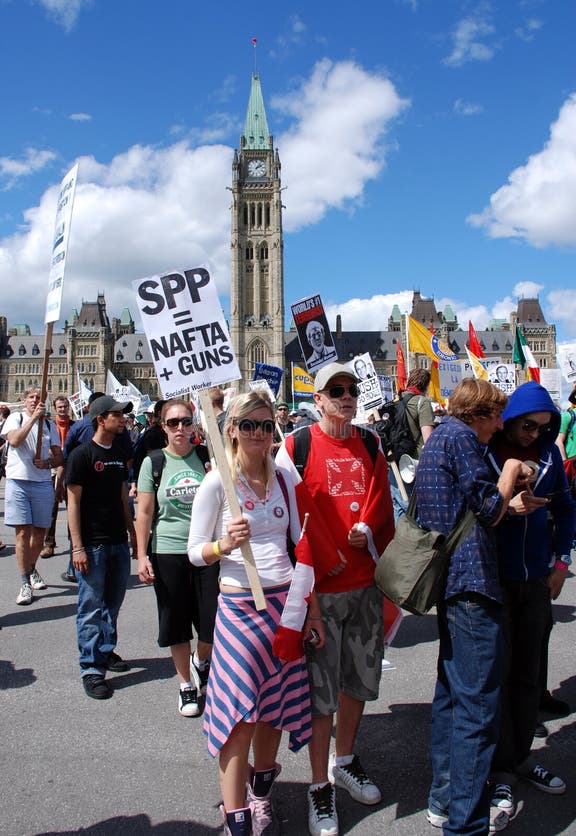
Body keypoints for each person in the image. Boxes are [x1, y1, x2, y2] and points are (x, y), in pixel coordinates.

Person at [188, 391, 321, 836]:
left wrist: (313, 613)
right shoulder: (216, 483)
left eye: (265, 426)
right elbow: (193, 553)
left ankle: (260, 797)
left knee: (274, 711)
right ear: (232, 430)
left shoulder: (284, 477)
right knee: (240, 718)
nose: (259, 434)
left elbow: (303, 550)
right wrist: (223, 545)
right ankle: (236, 817)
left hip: (286, 605)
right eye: (249, 426)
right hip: (241, 608)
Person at [276, 362, 395, 836]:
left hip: (366, 585)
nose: (346, 396)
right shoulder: (295, 446)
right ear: (318, 399)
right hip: (321, 594)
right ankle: (319, 785)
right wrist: (326, 560)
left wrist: (368, 526)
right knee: (320, 695)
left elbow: (381, 494)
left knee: (357, 683)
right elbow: (292, 517)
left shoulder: (370, 442)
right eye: (336, 391)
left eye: (351, 389)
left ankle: (345, 760)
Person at [415, 379, 535, 835]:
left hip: (452, 584)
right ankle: (465, 826)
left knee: (451, 696)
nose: (501, 425)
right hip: (472, 585)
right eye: (497, 416)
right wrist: (508, 469)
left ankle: (444, 802)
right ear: (479, 413)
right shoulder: (464, 439)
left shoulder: (442, 436)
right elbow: (487, 507)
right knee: (477, 709)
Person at [486, 382, 576, 818]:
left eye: (544, 427)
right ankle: (499, 773)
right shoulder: (488, 450)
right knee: (498, 680)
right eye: (528, 425)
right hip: (496, 581)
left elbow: (566, 508)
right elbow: (473, 513)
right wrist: (508, 509)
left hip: (537, 581)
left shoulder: (551, 455)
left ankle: (521, 758)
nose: (535, 434)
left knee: (528, 677)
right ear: (510, 420)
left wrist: (561, 564)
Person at [135, 399, 218, 718]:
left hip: (207, 552)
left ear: (194, 423)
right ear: (162, 426)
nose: (180, 428)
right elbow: (144, 513)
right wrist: (142, 555)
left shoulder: (206, 457)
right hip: (168, 550)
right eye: (173, 423)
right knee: (176, 621)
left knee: (211, 621)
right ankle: (186, 684)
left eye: (186, 421)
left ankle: (201, 661)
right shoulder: (153, 462)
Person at [66, 395, 136, 700]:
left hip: (118, 541)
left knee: (113, 604)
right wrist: (77, 547)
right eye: (117, 415)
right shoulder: (81, 455)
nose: (123, 420)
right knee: (91, 607)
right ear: (100, 419)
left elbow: (124, 499)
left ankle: (105, 650)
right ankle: (91, 668)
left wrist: (133, 535)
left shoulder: (119, 453)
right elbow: (73, 503)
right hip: (92, 545)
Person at [2, 388, 62, 605]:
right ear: (25, 400)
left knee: (39, 534)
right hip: (18, 481)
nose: (35, 401)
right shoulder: (14, 419)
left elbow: (59, 456)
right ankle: (25, 582)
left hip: (42, 482)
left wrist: (47, 463)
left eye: (39, 398)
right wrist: (33, 419)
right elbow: (16, 441)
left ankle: (31, 567)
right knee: (22, 533)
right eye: (32, 398)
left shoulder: (49, 425)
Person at [39, 395, 75, 559]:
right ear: (55, 409)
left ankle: (74, 542)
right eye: (59, 407)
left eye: (65, 406)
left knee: (73, 508)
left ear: (69, 408)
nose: (62, 409)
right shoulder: (48, 426)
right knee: (51, 508)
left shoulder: (75, 426)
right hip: (52, 470)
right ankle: (49, 544)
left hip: (71, 470)